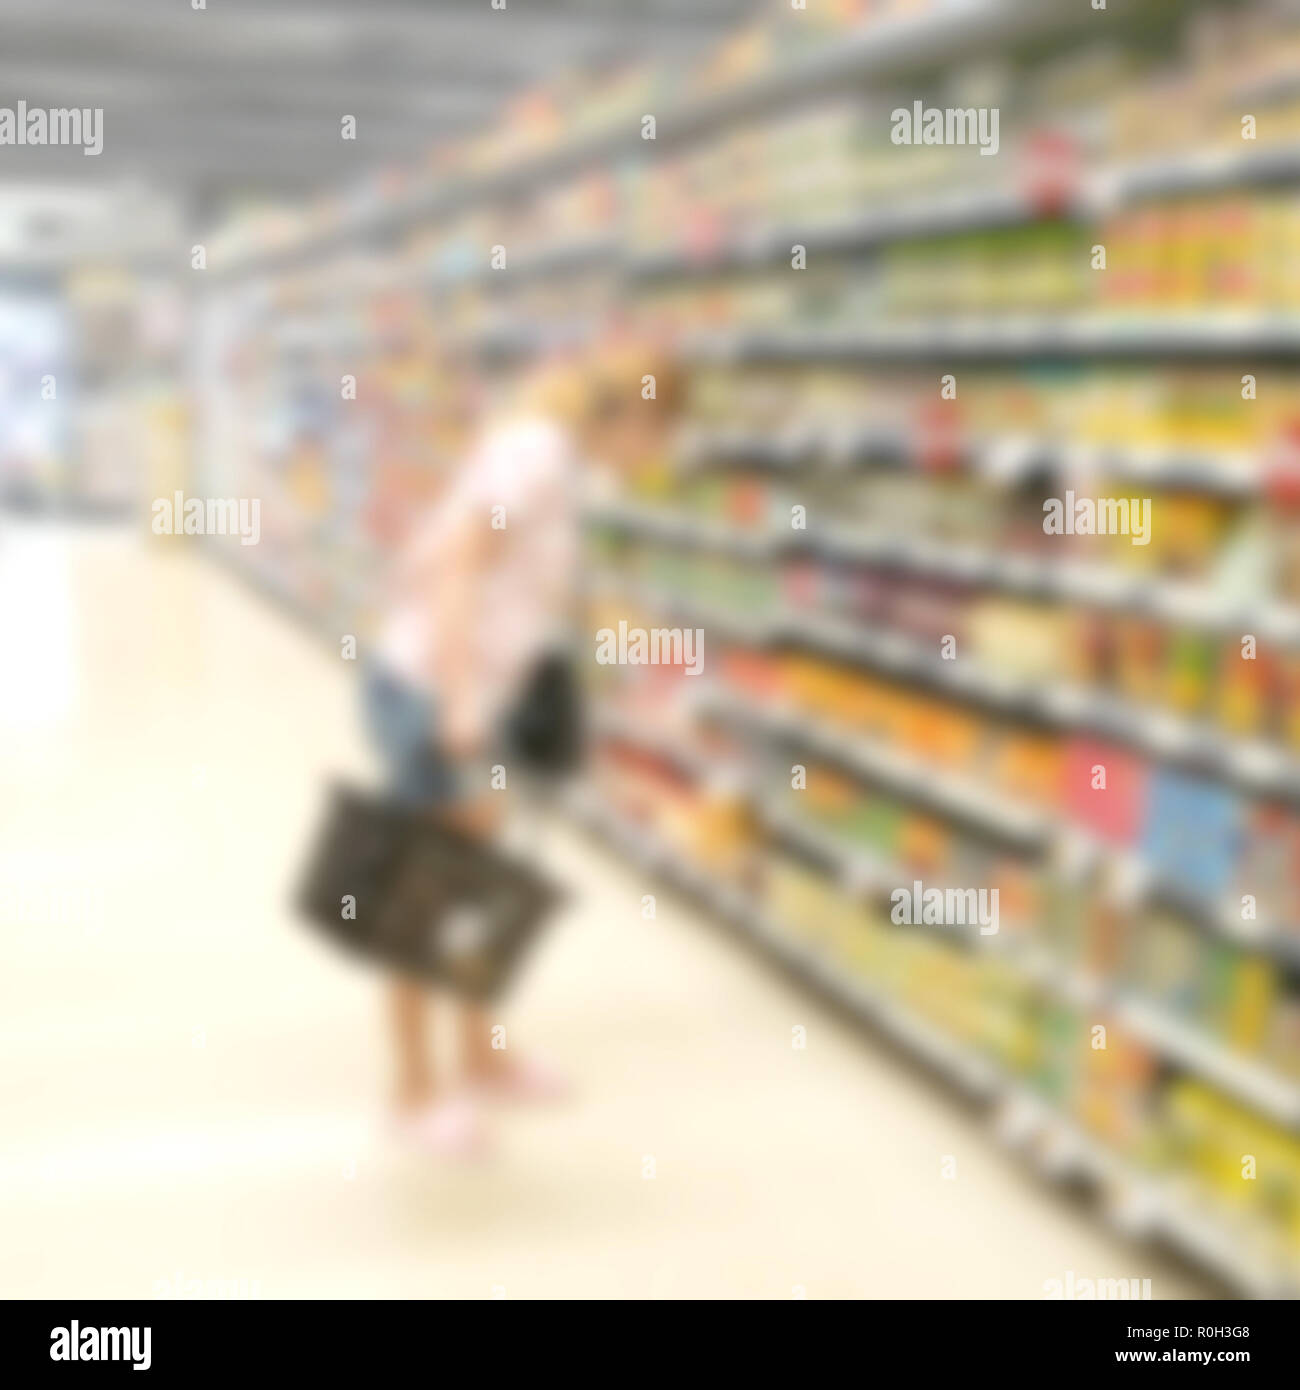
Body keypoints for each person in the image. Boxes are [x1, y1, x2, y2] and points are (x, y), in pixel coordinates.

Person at [363, 344, 680, 1157]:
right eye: (664, 432)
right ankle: (414, 1092)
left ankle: (477, 1057)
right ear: (636, 417)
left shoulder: (567, 467)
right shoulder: (535, 457)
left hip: (477, 696)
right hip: (431, 692)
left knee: (479, 882)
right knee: (426, 893)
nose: (663, 455)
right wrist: (461, 694)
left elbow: (455, 558)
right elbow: (465, 563)